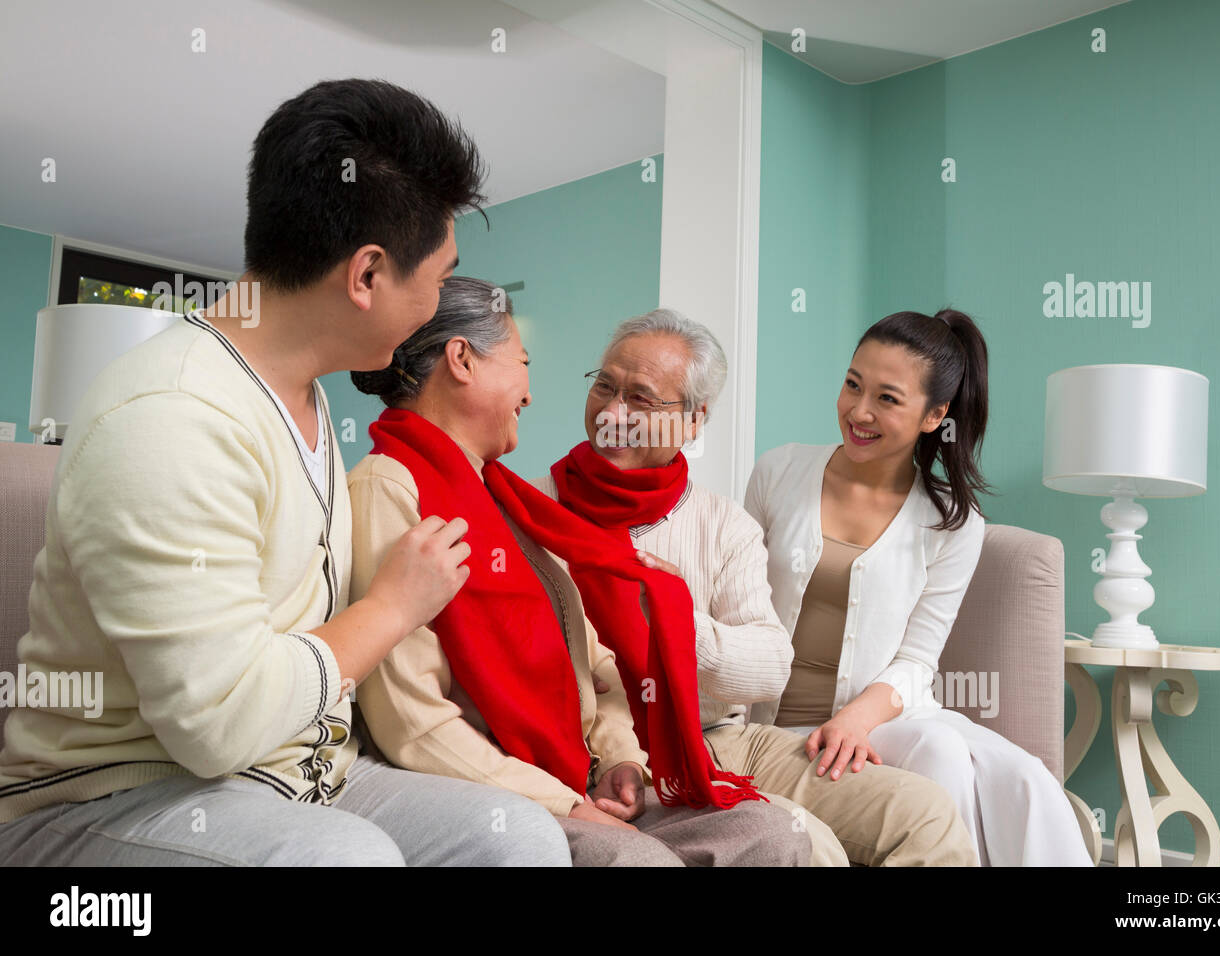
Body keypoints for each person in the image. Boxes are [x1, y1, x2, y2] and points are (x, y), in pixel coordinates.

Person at [0, 79, 570, 866]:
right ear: (367, 275)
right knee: (341, 860)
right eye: (437, 278)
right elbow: (217, 726)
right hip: (111, 796)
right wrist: (394, 606)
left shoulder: (300, 395)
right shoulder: (171, 414)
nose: (438, 300)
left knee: (519, 838)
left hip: (298, 777)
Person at [346, 276, 813, 866]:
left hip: (585, 768)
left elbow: (593, 661)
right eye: (523, 362)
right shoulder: (388, 490)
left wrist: (621, 757)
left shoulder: (507, 496)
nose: (531, 394)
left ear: (693, 422)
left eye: (639, 397)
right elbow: (409, 720)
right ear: (462, 360)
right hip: (502, 785)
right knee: (641, 860)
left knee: (774, 835)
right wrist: (563, 800)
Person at [535, 308, 978, 866]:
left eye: (642, 398)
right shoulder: (529, 513)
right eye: (604, 386)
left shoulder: (724, 525)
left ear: (693, 422)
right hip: (606, 754)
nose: (612, 412)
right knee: (802, 838)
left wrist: (674, 619)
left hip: (719, 737)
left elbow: (770, 664)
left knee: (926, 816)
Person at [747, 308, 1093, 866]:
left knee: (1025, 782)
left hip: (878, 720)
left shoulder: (953, 520)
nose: (859, 411)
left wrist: (858, 718)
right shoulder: (779, 471)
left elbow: (917, 658)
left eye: (887, 398)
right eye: (853, 385)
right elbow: (737, 603)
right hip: (780, 729)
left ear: (935, 416)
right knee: (942, 751)